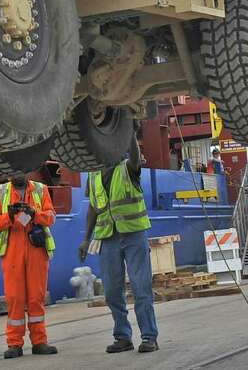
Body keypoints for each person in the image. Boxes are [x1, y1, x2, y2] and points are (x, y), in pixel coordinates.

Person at [78, 137, 158, 354]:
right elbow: (93, 207)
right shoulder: (93, 175)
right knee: (112, 291)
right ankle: (123, 337)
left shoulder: (128, 167)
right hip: (107, 237)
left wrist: (128, 129)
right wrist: (86, 239)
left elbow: (135, 156)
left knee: (141, 288)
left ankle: (149, 337)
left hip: (133, 235)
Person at [0, 172, 58, 359]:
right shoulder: (1, 191)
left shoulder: (41, 190)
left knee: (36, 297)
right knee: (15, 298)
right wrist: (9, 217)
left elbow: (51, 217)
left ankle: (39, 342)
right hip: (12, 252)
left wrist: (34, 214)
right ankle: (14, 344)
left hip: (37, 250)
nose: (17, 174)